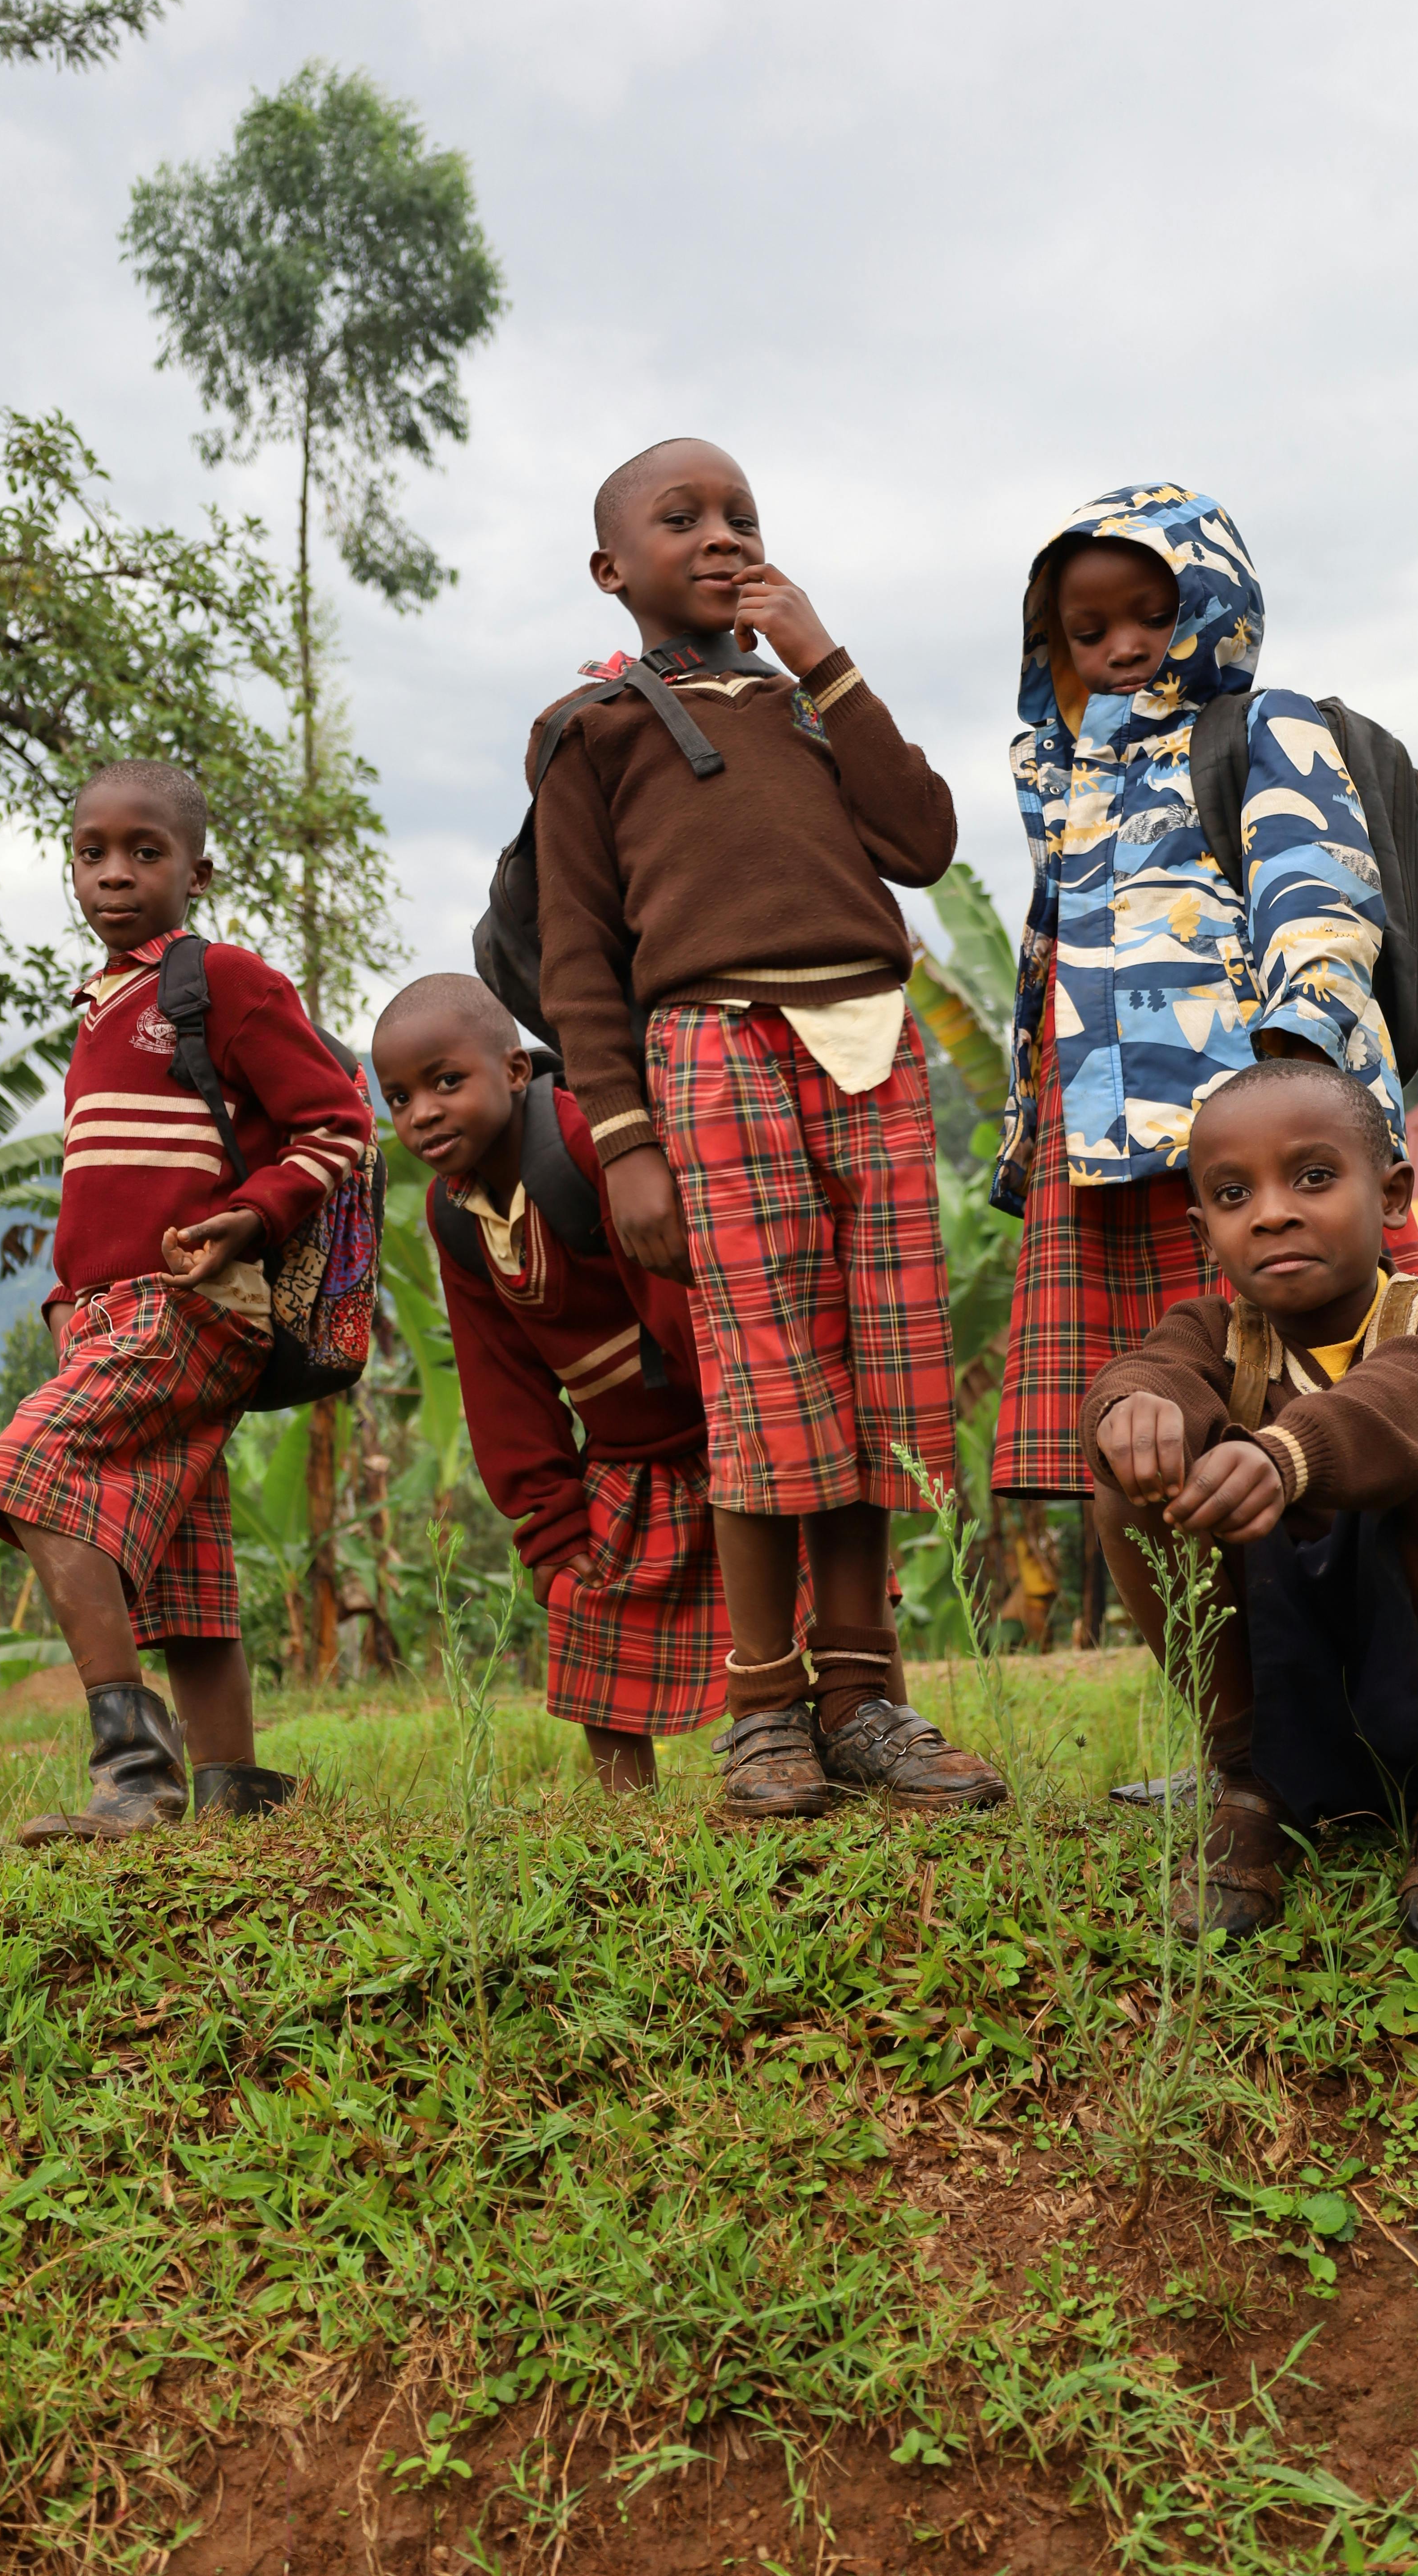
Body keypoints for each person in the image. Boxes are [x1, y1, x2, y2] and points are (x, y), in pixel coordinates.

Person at [527, 436, 1003, 1816]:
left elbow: (922, 841)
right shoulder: (591, 730)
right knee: (763, 1378)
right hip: (715, 1053)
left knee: (876, 1377)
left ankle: (865, 1701)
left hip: (874, 1048)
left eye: (742, 513)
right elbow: (579, 958)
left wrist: (826, 660)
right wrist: (624, 1142)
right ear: (615, 569)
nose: (723, 534)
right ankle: (763, 1709)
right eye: (685, 518)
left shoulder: (809, 708)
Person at [989, 484, 1418, 1521]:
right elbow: (1046, 962)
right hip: (1102, 1150)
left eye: (1155, 614)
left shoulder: (1258, 728)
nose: (1124, 646)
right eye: (1086, 631)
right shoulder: (1062, 778)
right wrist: (1026, 1136)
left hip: (1253, 1134)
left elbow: (1316, 888)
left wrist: (1294, 1064)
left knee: (1334, 1393)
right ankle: (1226, 1665)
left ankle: (1409, 1633)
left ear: (1211, 605)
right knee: (1145, 1424)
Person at [1082, 1056, 1418, 1952]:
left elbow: (1416, 1398)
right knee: (1131, 1485)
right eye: (1233, 1195)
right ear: (1207, 1233)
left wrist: (1285, 1457)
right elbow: (1145, 1372)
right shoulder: (1212, 1338)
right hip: (1301, 1705)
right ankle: (1246, 1781)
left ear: (1392, 1196)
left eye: (1313, 1178)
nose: (1271, 1211)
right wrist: (1131, 1413)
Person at [0, 759, 376, 1843]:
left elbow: (336, 1123)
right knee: (182, 1565)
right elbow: (94, 1181)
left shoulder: (222, 983)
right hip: (104, 1310)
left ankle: (133, 1771)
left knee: (30, 1481)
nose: (114, 874)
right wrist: (63, 1296)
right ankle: (233, 1785)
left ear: (198, 869)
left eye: (145, 852)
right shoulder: (100, 1008)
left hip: (191, 1297)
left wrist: (249, 1214)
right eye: (92, 853)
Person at [375, 971, 742, 1797]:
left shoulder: (582, 1144)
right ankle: (624, 1818)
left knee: (805, 1599)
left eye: (445, 1082)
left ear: (512, 1071)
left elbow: (686, 1304)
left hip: (721, 1421)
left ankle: (837, 1751)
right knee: (589, 1612)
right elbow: (497, 1377)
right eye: (399, 1099)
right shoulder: (453, 1215)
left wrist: (744, 1433)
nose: (423, 1114)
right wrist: (547, 1516)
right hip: (622, 1451)